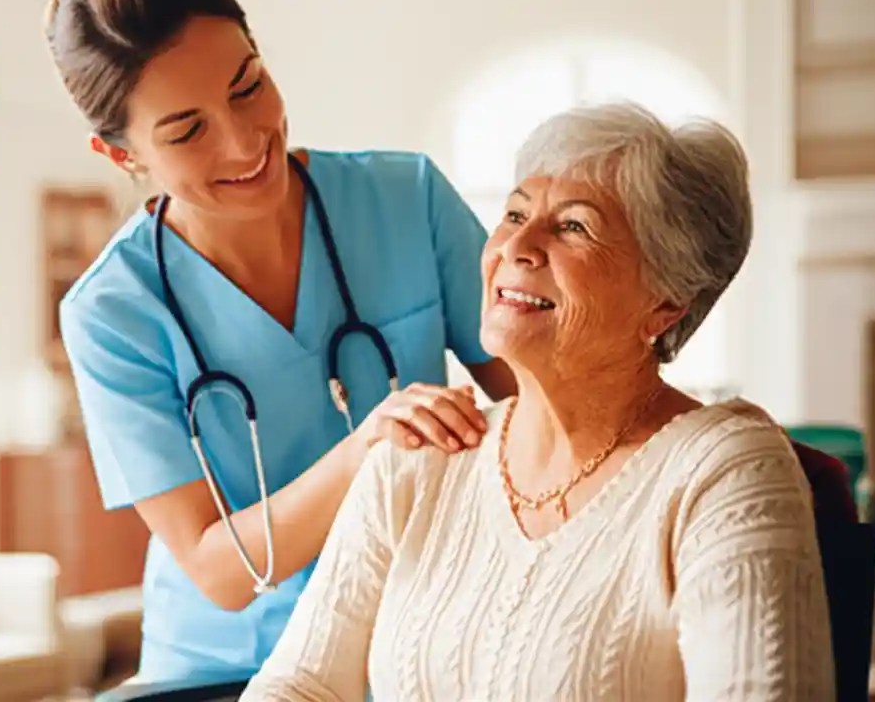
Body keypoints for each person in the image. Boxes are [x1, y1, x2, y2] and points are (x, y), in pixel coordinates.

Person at [242, 102, 835, 700]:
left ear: (666, 301)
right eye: (514, 213)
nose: (516, 246)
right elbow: (299, 683)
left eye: (573, 226)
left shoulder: (725, 470)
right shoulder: (417, 458)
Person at [44, 0, 516, 682]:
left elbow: (544, 399)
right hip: (227, 668)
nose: (244, 141)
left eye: (247, 87)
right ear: (123, 156)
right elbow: (217, 567)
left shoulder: (408, 200)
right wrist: (368, 449)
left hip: (417, 636)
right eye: (187, 131)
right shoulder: (114, 312)